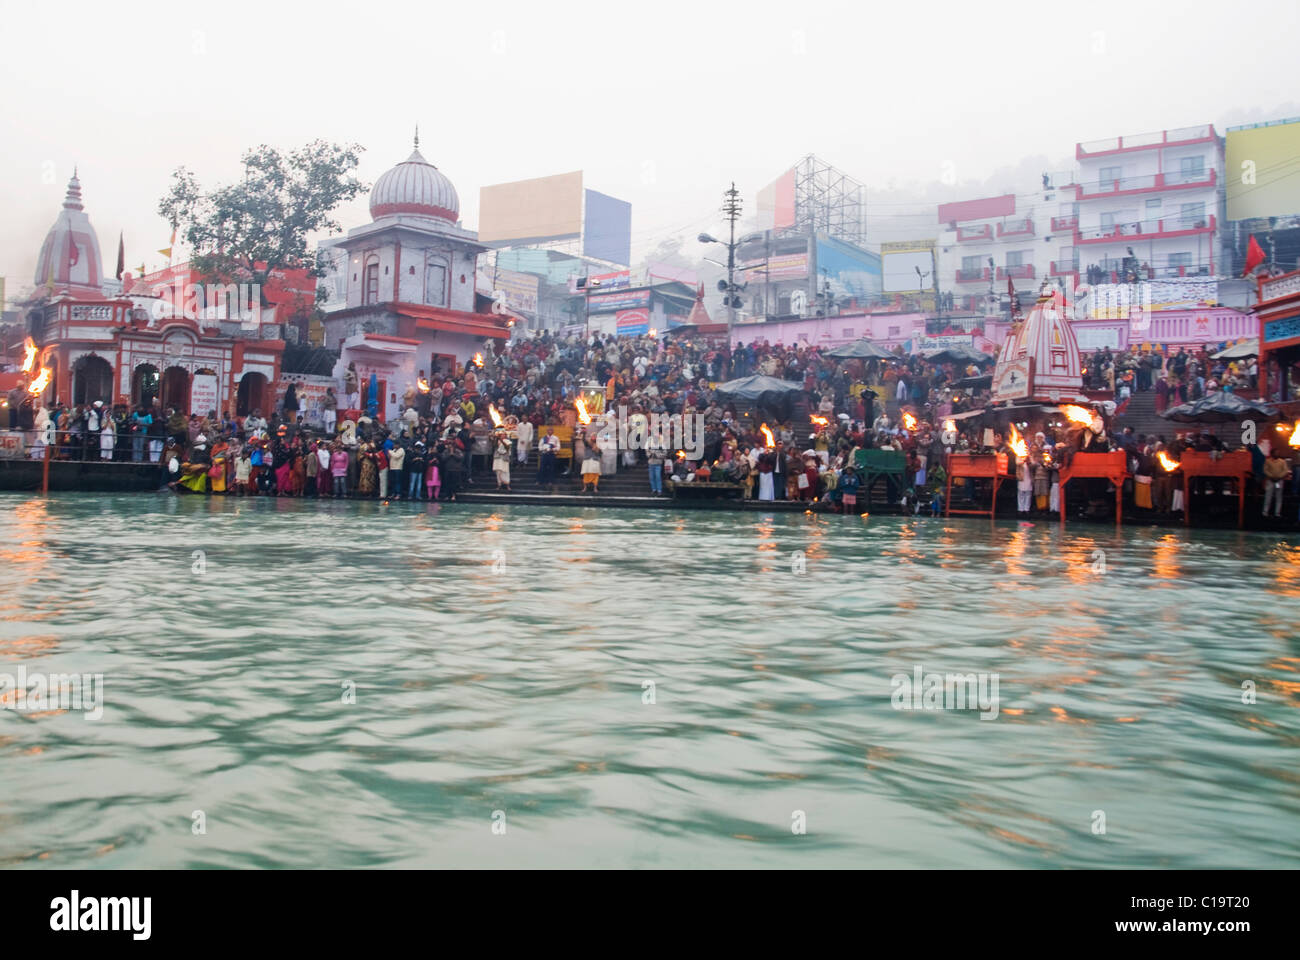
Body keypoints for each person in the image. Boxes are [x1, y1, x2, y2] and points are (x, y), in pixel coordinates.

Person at [1263, 452, 1290, 518]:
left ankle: (1277, 513)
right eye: (1275, 453)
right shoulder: (1268, 461)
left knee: (1279, 497)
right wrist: (1271, 476)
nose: (1277, 454)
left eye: (1277, 453)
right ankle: (1265, 512)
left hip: (1279, 481)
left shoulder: (1282, 462)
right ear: (1272, 454)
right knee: (1268, 496)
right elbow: (1265, 470)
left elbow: (1285, 470)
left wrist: (1279, 477)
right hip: (1270, 480)